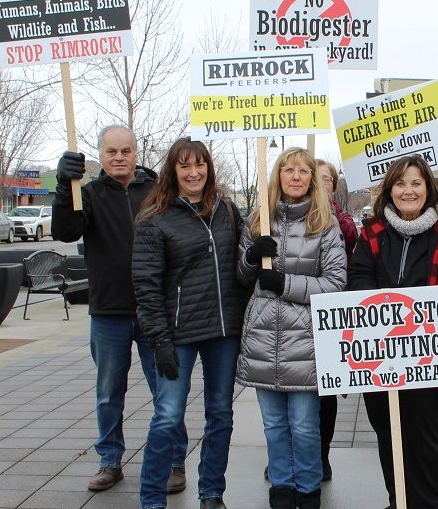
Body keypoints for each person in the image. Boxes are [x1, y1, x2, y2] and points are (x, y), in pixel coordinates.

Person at [52, 126, 189, 493]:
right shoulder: (89, 194)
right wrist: (65, 188)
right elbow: (65, 231)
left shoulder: (157, 191)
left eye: (125, 150)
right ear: (101, 154)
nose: (118, 157)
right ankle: (110, 461)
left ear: (135, 152)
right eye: (111, 151)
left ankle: (175, 461)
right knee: (109, 392)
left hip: (154, 312)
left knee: (166, 389)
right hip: (108, 310)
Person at [349, 155, 438, 509]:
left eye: (416, 183)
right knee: (390, 437)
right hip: (382, 360)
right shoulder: (372, 232)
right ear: (389, 190)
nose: (408, 190)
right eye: (400, 183)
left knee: (430, 444)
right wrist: (382, 307)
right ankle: (399, 501)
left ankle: (432, 503)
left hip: (431, 362)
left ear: (429, 188)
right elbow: (359, 277)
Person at [132, 139, 245, 509]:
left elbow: (242, 265)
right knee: (167, 416)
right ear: (173, 171)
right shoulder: (156, 219)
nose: (194, 172)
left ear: (209, 168)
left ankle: (211, 492)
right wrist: (159, 340)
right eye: (185, 166)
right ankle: (151, 498)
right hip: (177, 335)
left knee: (221, 414)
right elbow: (145, 286)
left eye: (200, 165)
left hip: (223, 331)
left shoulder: (227, 210)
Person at [237, 147, 348, 509]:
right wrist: (251, 258)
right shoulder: (258, 220)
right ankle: (281, 487)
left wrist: (284, 283)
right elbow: (241, 277)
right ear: (278, 176)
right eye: (288, 170)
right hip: (263, 337)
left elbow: (335, 284)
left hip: (308, 340)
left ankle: (308, 487)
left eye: (303, 170)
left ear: (312, 179)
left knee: (303, 424)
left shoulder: (325, 224)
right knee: (273, 424)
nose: (296, 176)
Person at [314, 159, 357, 481]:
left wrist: (325, 213)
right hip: (292, 316)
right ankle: (288, 454)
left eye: (325, 179)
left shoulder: (341, 220)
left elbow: (350, 236)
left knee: (324, 393)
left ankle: (322, 455)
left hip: (329, 313)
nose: (319, 184)